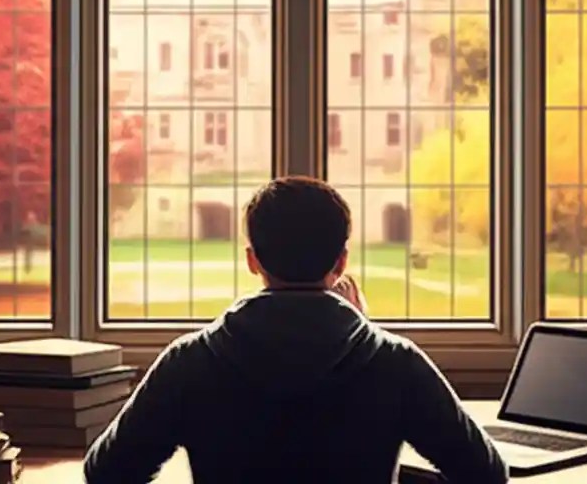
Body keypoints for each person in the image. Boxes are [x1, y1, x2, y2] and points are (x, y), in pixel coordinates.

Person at [83, 176, 508, 484]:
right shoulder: (396, 363)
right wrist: (362, 327)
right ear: (341, 262)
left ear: (253, 260)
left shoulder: (188, 362)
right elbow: (487, 473)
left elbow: (106, 472)